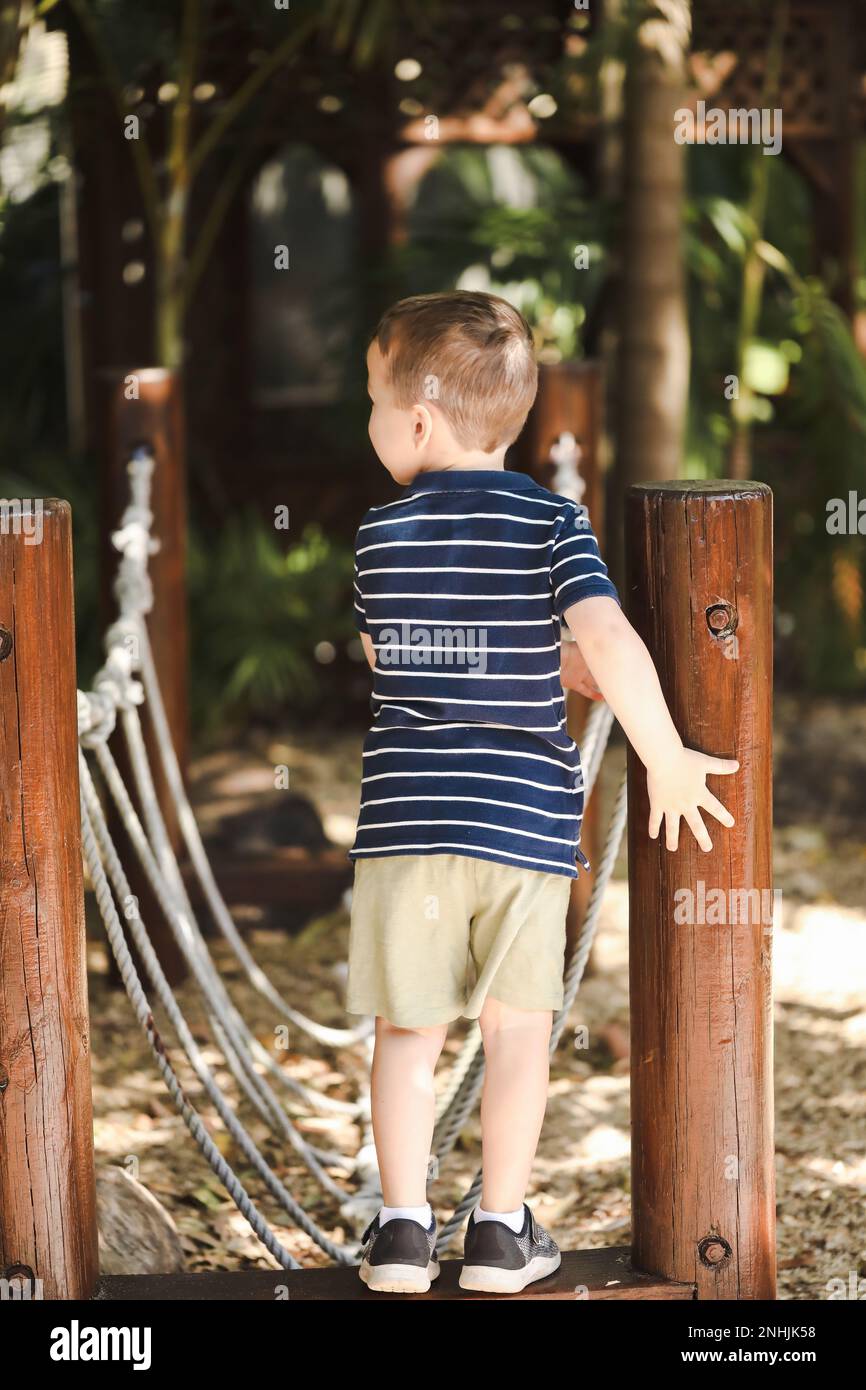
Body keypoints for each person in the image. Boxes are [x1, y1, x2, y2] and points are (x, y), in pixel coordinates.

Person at [346, 291, 738, 1294]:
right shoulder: (550, 517)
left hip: (403, 826)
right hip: (519, 822)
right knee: (517, 1030)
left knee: (405, 1032)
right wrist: (664, 755)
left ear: (420, 420)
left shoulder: (377, 535)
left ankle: (397, 1229)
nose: (368, 425)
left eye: (372, 404)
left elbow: (391, 655)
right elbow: (602, 640)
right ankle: (498, 1229)